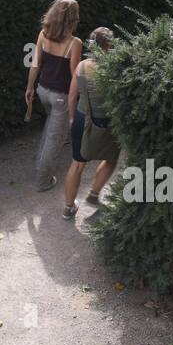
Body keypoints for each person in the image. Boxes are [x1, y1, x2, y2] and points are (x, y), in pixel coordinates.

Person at [62, 27, 121, 219]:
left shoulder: (81, 66)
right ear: (109, 45)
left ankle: (68, 208)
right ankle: (94, 194)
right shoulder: (114, 68)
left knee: (77, 164)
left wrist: (72, 118)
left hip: (81, 118)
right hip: (106, 123)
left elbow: (72, 96)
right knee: (111, 159)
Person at [25, 0, 82, 192]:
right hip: (61, 97)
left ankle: (39, 166)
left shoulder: (43, 34)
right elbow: (75, 75)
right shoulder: (75, 43)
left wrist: (30, 87)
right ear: (72, 19)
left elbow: (35, 63)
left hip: (42, 91)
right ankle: (43, 181)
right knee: (54, 138)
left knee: (51, 128)